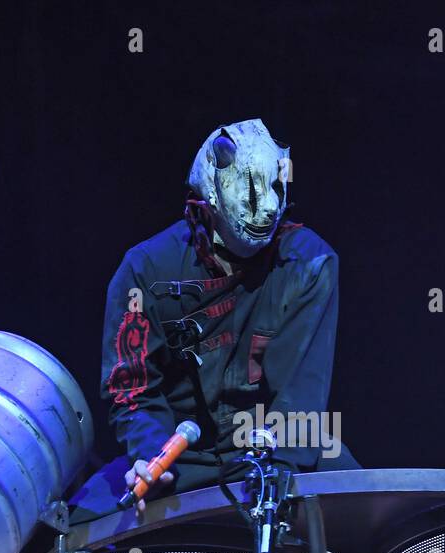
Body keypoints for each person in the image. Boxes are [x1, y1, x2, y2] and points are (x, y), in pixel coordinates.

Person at [66, 118, 358, 521]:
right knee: (75, 528)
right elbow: (131, 389)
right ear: (206, 205)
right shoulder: (145, 269)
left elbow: (300, 392)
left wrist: (276, 473)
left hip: (270, 443)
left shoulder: (310, 263)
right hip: (183, 455)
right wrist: (153, 455)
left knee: (357, 503)